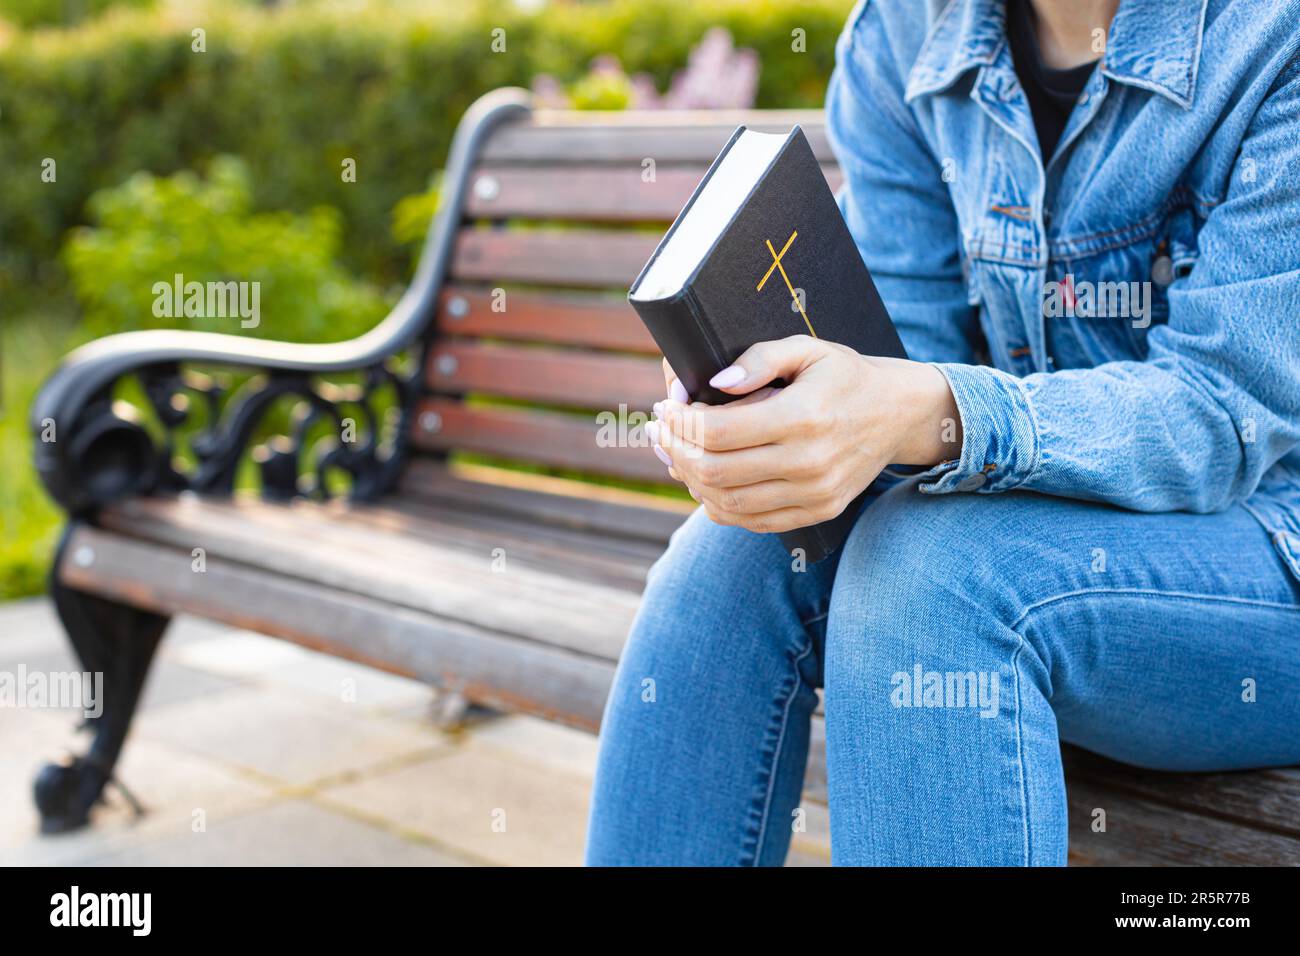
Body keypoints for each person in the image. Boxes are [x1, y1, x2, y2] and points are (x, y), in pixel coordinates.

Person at [585, 0, 1300, 866]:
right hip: (1050, 532)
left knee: (935, 583)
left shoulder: (1272, 37)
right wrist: (782, 422)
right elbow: (895, 341)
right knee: (733, 558)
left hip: (1269, 554)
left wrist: (934, 411)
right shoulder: (907, 30)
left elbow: (1219, 414)